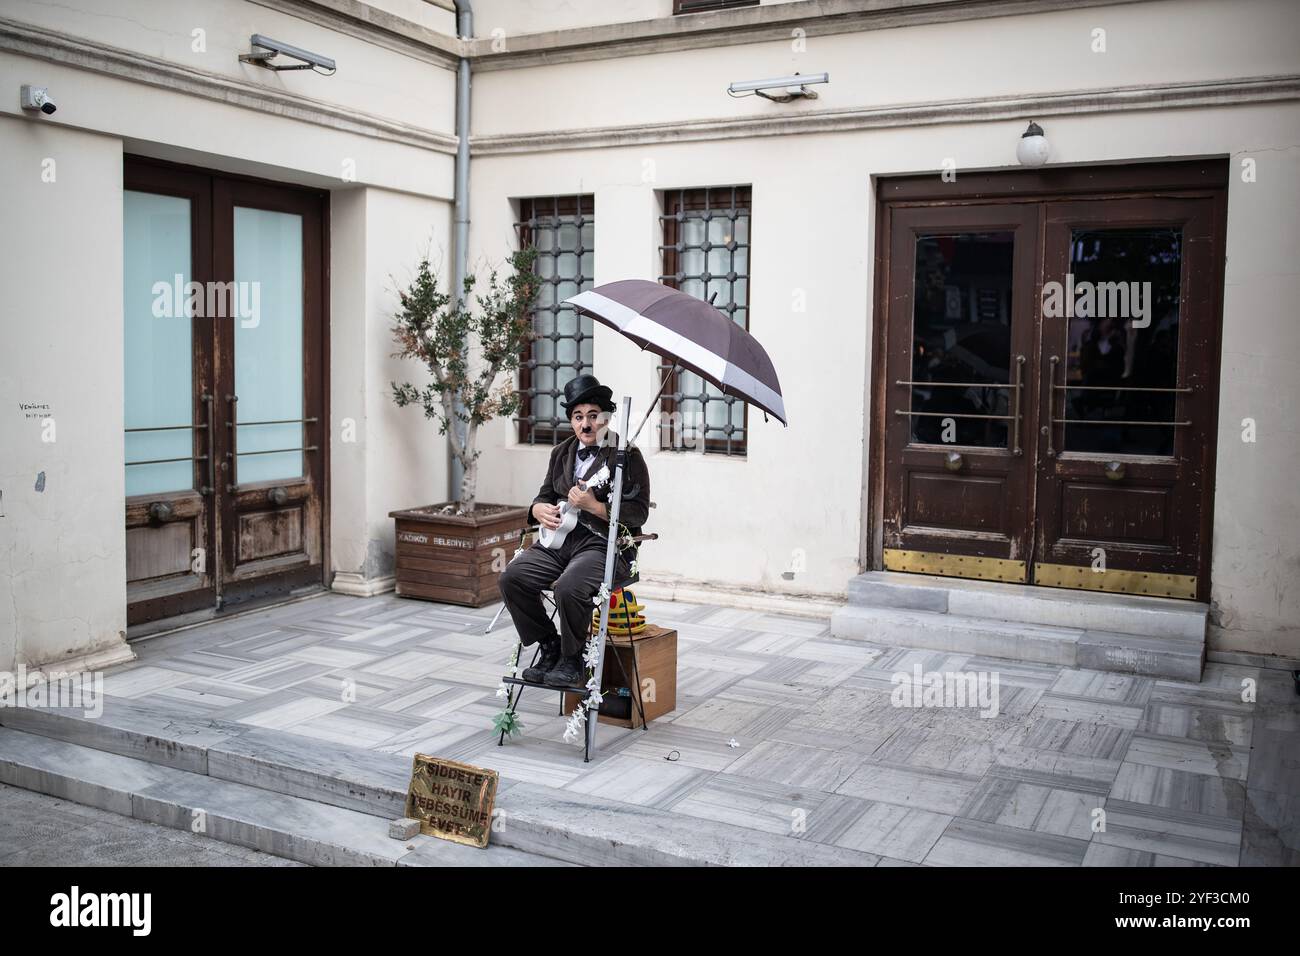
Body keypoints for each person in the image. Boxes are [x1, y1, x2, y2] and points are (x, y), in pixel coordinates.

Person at [497, 373, 651, 688]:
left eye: (593, 416)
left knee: (568, 587)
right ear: (571, 421)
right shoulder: (561, 453)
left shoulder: (627, 455)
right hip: (559, 542)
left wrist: (596, 507)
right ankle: (549, 644)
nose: (586, 424)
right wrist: (536, 509)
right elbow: (544, 495)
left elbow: (639, 512)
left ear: (605, 418)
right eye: (578, 417)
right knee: (511, 578)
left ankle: (573, 658)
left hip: (602, 544)